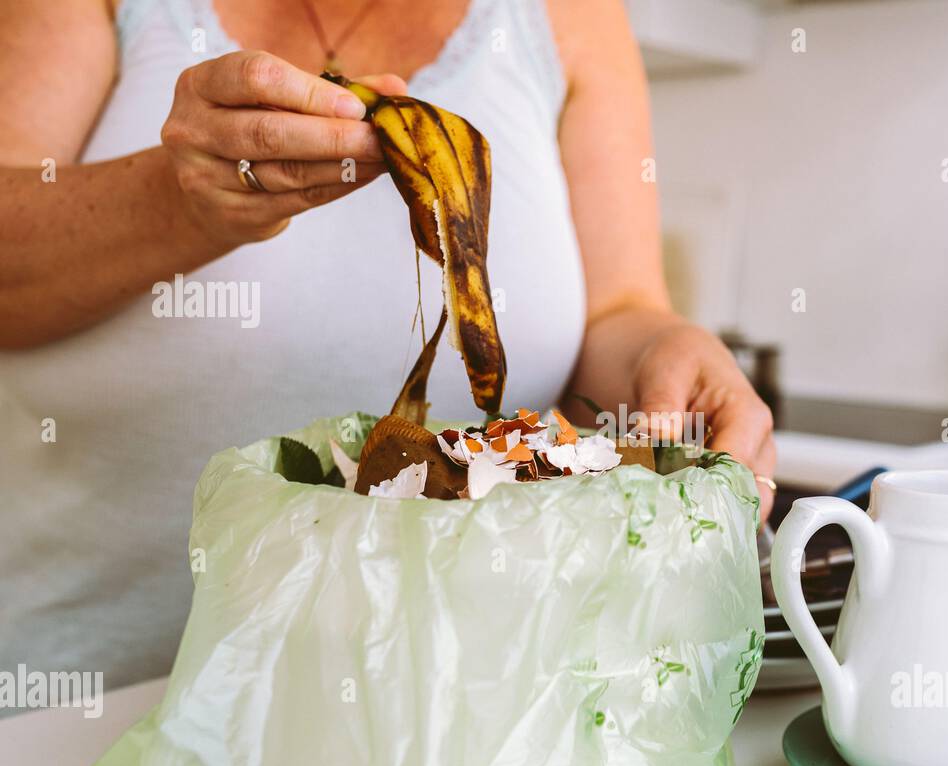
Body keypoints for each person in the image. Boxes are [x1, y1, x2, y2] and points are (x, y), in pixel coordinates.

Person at [0, 0, 775, 695]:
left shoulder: (573, 16)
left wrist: (666, 350)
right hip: (79, 702)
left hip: (439, 706)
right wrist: (179, 201)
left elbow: (621, 307)